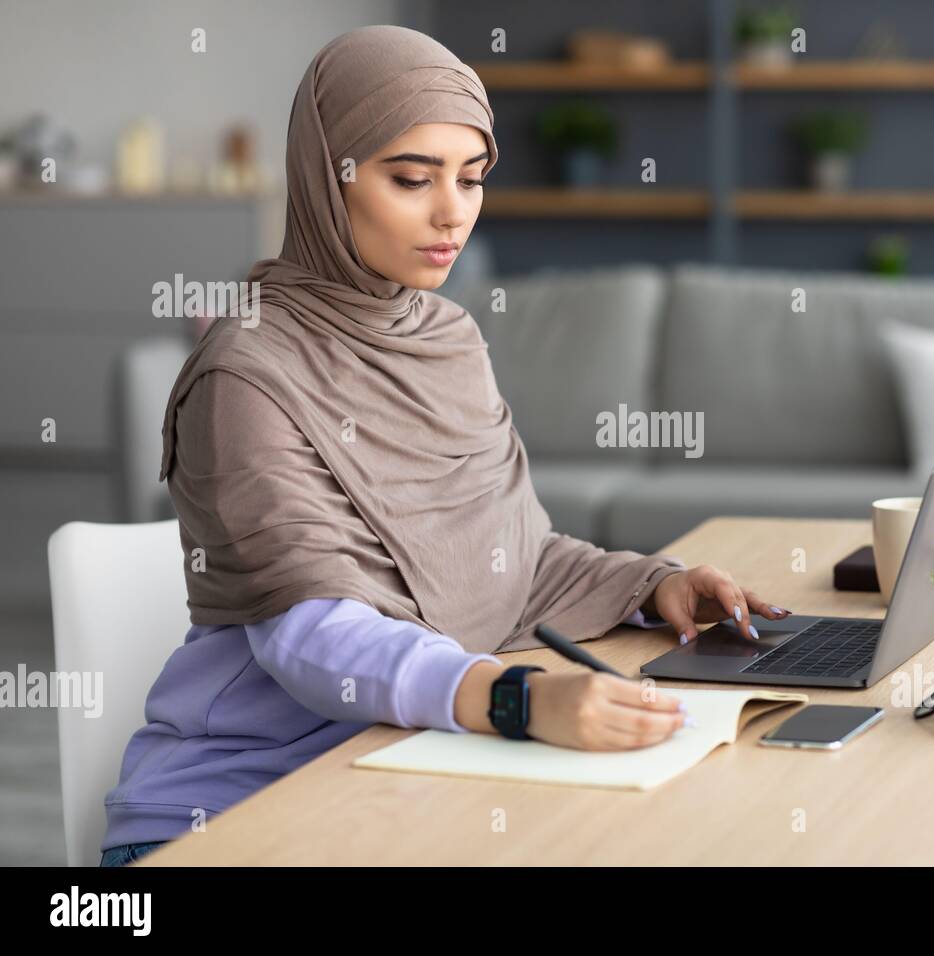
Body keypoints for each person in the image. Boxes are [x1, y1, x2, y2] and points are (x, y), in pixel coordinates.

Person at [100, 25, 789, 866]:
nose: (451, 211)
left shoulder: (448, 339)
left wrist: (656, 583)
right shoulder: (245, 372)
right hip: (233, 814)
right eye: (411, 178)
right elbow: (312, 634)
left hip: (406, 775)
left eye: (470, 180)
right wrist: (516, 700)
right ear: (328, 178)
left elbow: (519, 562)